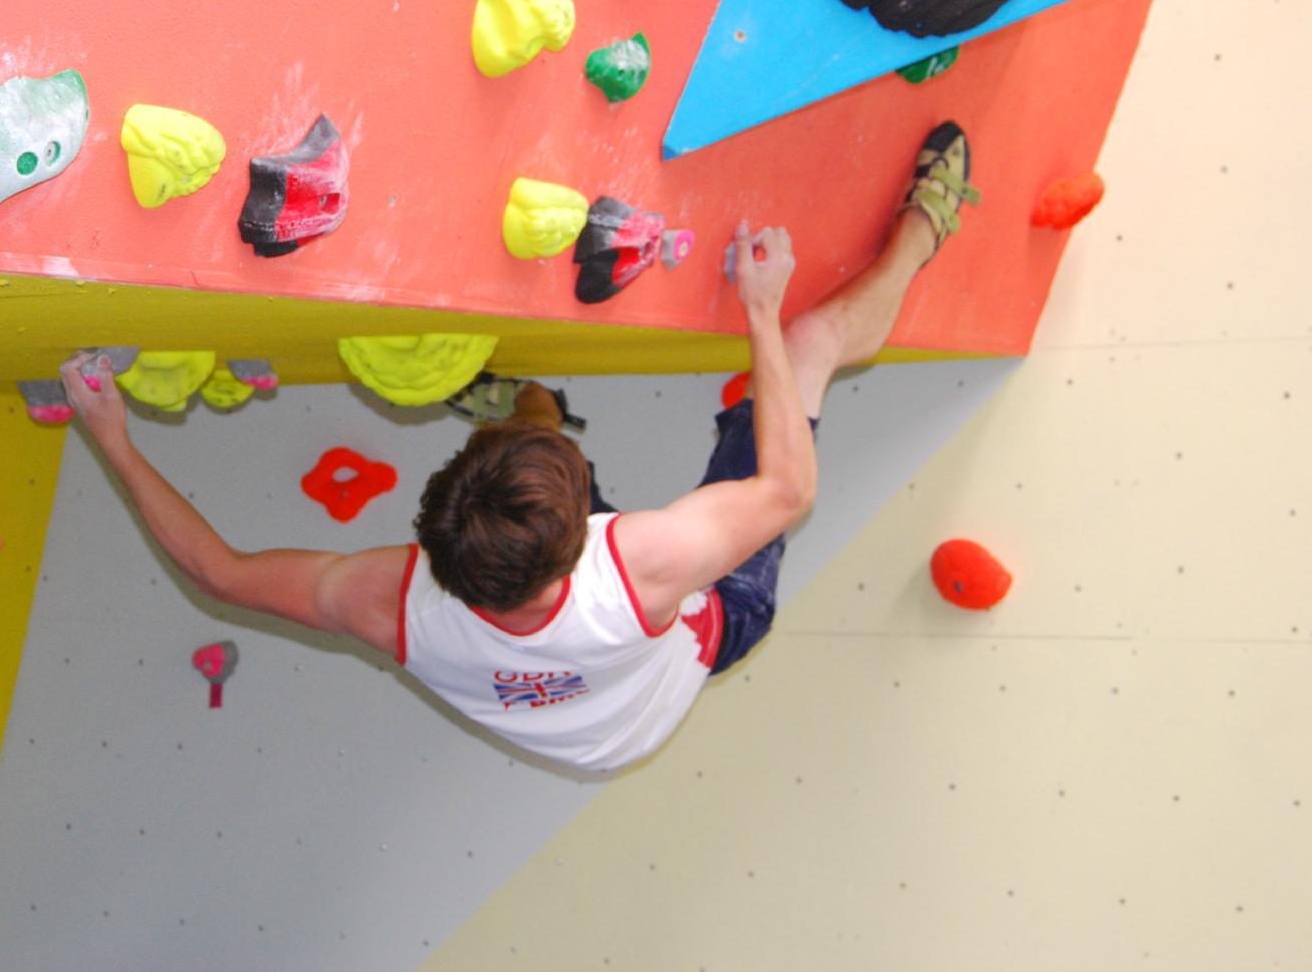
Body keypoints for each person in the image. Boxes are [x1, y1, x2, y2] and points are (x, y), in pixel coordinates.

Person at [58, 123, 979, 771]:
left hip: (576, 681)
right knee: (806, 351)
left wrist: (115, 443)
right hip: (677, 661)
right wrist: (761, 311)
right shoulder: (645, 561)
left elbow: (221, 573)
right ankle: (922, 234)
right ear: (590, 530)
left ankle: (528, 411)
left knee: (534, 413)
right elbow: (787, 491)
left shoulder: (395, 602)